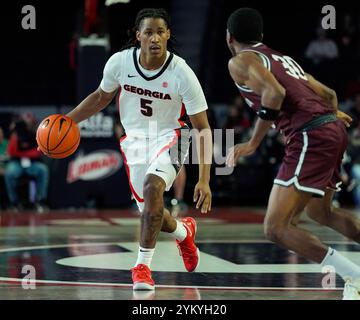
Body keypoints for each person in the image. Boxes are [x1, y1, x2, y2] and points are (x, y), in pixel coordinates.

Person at [62, 8, 212, 291]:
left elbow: (203, 128)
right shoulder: (120, 63)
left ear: (168, 35)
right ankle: (184, 232)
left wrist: (204, 179)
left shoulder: (182, 73)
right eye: (149, 32)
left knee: (153, 189)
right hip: (136, 142)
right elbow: (100, 98)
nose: (155, 38)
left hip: (173, 136)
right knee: (151, 213)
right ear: (138, 36)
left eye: (160, 32)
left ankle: (142, 266)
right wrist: (68, 121)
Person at [225, 8, 360, 300]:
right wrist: (329, 117)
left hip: (310, 134)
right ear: (261, 36)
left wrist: (252, 143)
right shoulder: (281, 58)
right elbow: (329, 95)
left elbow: (274, 95)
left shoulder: (240, 60)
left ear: (229, 37)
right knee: (319, 211)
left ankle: (355, 276)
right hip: (331, 128)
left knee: (275, 227)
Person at [5, 114, 49, 213]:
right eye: (27, 123)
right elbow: (12, 152)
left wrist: (24, 153)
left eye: (31, 123)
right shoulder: (16, 134)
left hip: (32, 163)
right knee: (10, 173)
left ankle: (40, 201)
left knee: (43, 170)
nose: (29, 125)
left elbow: (38, 152)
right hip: (17, 163)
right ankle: (14, 203)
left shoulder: (37, 134)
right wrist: (15, 135)